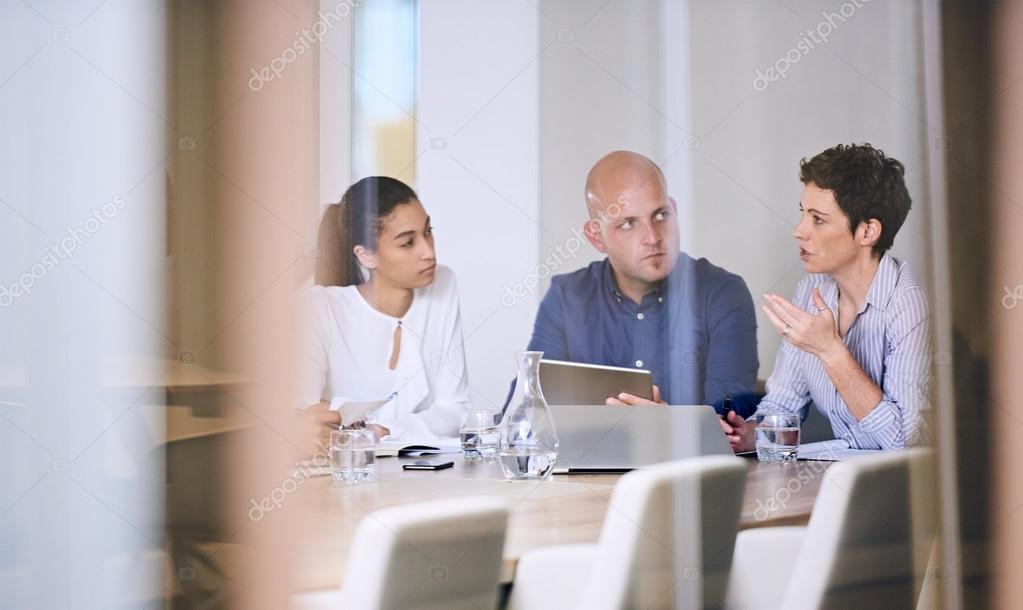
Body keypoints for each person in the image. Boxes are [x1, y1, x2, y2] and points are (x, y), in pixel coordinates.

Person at [722, 143, 931, 452]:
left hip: (903, 492)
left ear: (867, 232)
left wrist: (831, 351)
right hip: (845, 480)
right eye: (803, 214)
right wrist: (747, 435)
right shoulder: (812, 289)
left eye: (818, 219)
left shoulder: (909, 304)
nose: (799, 230)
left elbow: (902, 442)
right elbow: (782, 405)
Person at [523, 150, 758, 411]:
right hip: (591, 452)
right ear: (596, 237)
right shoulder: (566, 296)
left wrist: (665, 425)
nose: (653, 237)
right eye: (628, 223)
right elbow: (528, 407)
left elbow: (731, 421)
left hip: (690, 455)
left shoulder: (722, 293)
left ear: (674, 211)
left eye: (660, 215)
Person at [297, 176, 471, 445]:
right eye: (407, 243)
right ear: (366, 255)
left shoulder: (442, 285)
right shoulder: (321, 308)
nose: (429, 252)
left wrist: (383, 431)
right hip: (344, 473)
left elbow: (455, 410)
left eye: (428, 231)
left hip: (419, 475)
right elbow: (305, 418)